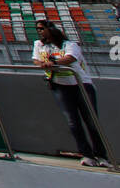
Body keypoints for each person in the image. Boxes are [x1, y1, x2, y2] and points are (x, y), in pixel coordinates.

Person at [33, 19, 111, 168]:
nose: (40, 31)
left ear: (51, 29)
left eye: (42, 28)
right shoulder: (39, 45)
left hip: (81, 85)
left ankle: (101, 155)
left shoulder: (70, 45)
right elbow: (36, 60)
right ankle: (87, 154)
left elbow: (70, 58)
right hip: (59, 86)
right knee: (73, 123)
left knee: (91, 121)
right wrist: (43, 64)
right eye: (38, 29)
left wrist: (53, 62)